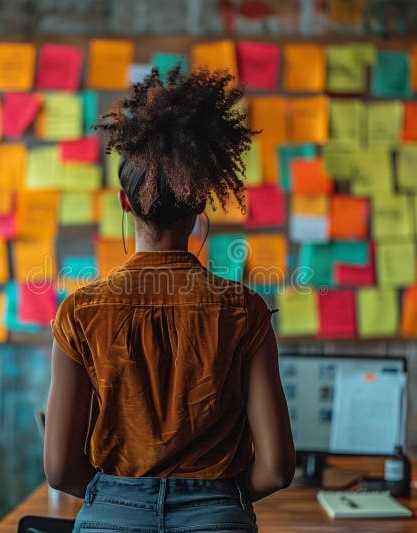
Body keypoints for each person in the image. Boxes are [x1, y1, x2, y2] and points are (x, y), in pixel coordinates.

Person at [44, 66, 295, 533]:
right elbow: (277, 467)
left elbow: (60, 470)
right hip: (217, 515)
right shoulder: (245, 313)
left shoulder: (79, 314)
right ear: (200, 203)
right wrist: (223, 496)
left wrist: (117, 496)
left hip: (111, 516)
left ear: (125, 202)